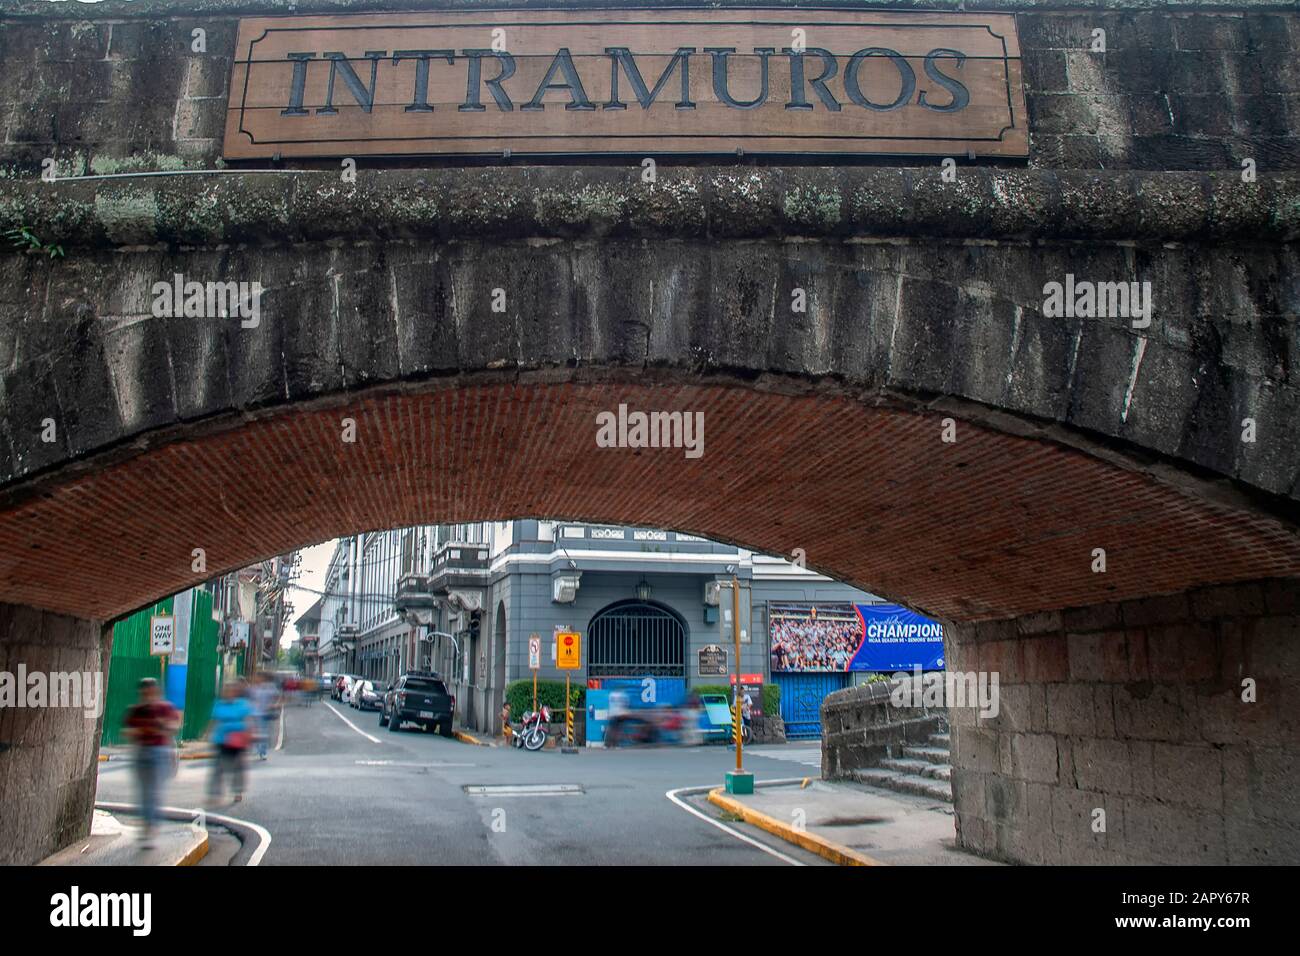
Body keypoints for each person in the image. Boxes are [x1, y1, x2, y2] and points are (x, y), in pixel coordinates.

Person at [123, 678, 180, 850]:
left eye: (151, 691)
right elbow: (127, 731)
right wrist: (140, 731)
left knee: (154, 792)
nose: (148, 695)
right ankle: (146, 825)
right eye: (144, 692)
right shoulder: (136, 710)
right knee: (142, 793)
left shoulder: (165, 708)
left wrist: (160, 725)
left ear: (156, 692)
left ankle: (151, 828)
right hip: (141, 751)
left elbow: (174, 727)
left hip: (159, 752)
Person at [207, 680, 253, 803]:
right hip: (222, 739)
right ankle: (214, 793)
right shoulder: (219, 704)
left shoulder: (242, 704)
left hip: (238, 740)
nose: (228, 693)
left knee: (238, 767)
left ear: (236, 692)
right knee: (218, 767)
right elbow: (214, 721)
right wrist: (208, 735)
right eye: (226, 691)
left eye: (231, 690)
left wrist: (249, 737)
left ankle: (238, 792)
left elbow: (248, 721)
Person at [250, 674, 280, 760]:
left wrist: (274, 705)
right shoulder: (253, 688)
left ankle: (262, 752)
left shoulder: (269, 687)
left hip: (264, 714)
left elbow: (277, 696)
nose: (257, 679)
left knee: (263, 733)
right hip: (254, 714)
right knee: (256, 733)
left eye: (259, 678)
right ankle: (258, 749)